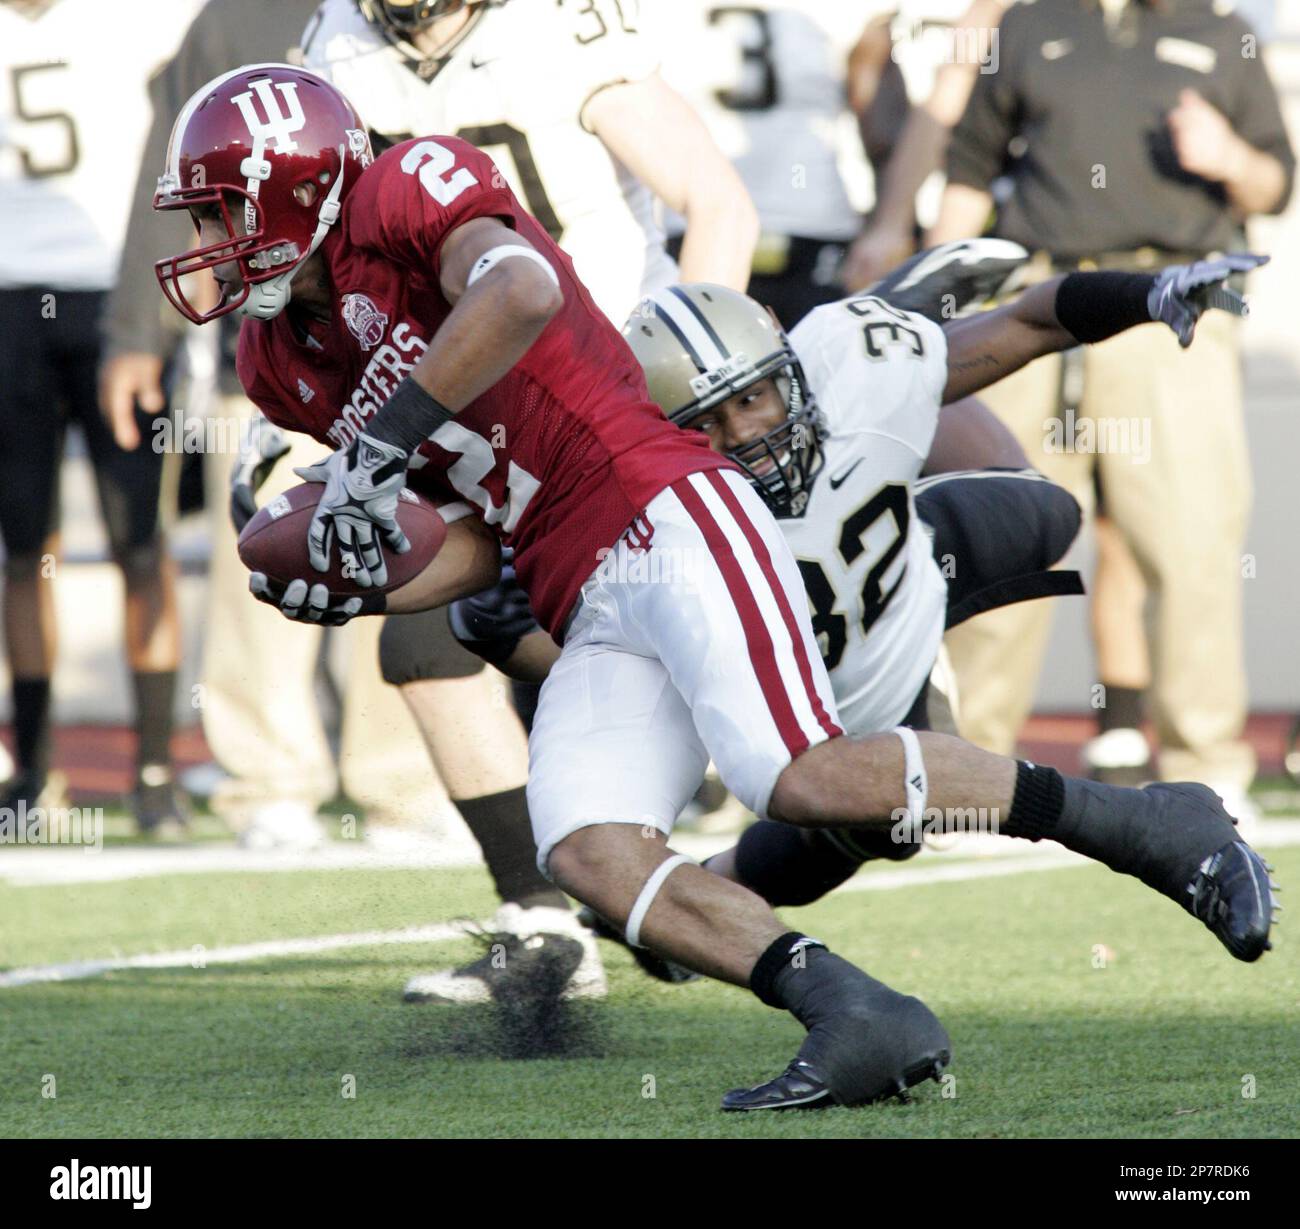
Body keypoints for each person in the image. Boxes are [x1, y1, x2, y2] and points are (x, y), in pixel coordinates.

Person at [153, 64, 1276, 1111]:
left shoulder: (406, 184)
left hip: (658, 503)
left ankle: (1146, 824)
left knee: (799, 773)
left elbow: (521, 290)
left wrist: (383, 444)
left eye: (216, 213)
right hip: (572, 578)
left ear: (293, 187)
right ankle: (854, 1009)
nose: (205, 245)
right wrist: (362, 584)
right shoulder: (277, 364)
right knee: (588, 847)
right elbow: (473, 533)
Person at [301, 0, 759, 1001]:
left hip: (597, 383)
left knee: (602, 620)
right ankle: (541, 917)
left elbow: (717, 203)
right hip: (457, 389)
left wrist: (691, 371)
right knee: (421, 630)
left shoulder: (559, 27)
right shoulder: (336, 41)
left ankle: (692, 772)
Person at [927, 0, 1295, 822]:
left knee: (1192, 542)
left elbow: (1276, 178)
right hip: (1039, 310)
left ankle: (1210, 766)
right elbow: (968, 165)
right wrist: (930, 298)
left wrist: (1228, 153)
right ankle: (972, 772)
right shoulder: (1028, 23)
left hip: (1168, 307)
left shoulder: (1221, 30)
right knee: (1005, 536)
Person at [0, 0, 201, 832]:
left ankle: (154, 769)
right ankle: (36, 768)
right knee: (25, 549)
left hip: (122, 301)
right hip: (10, 303)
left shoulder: (131, 18)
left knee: (140, 541)